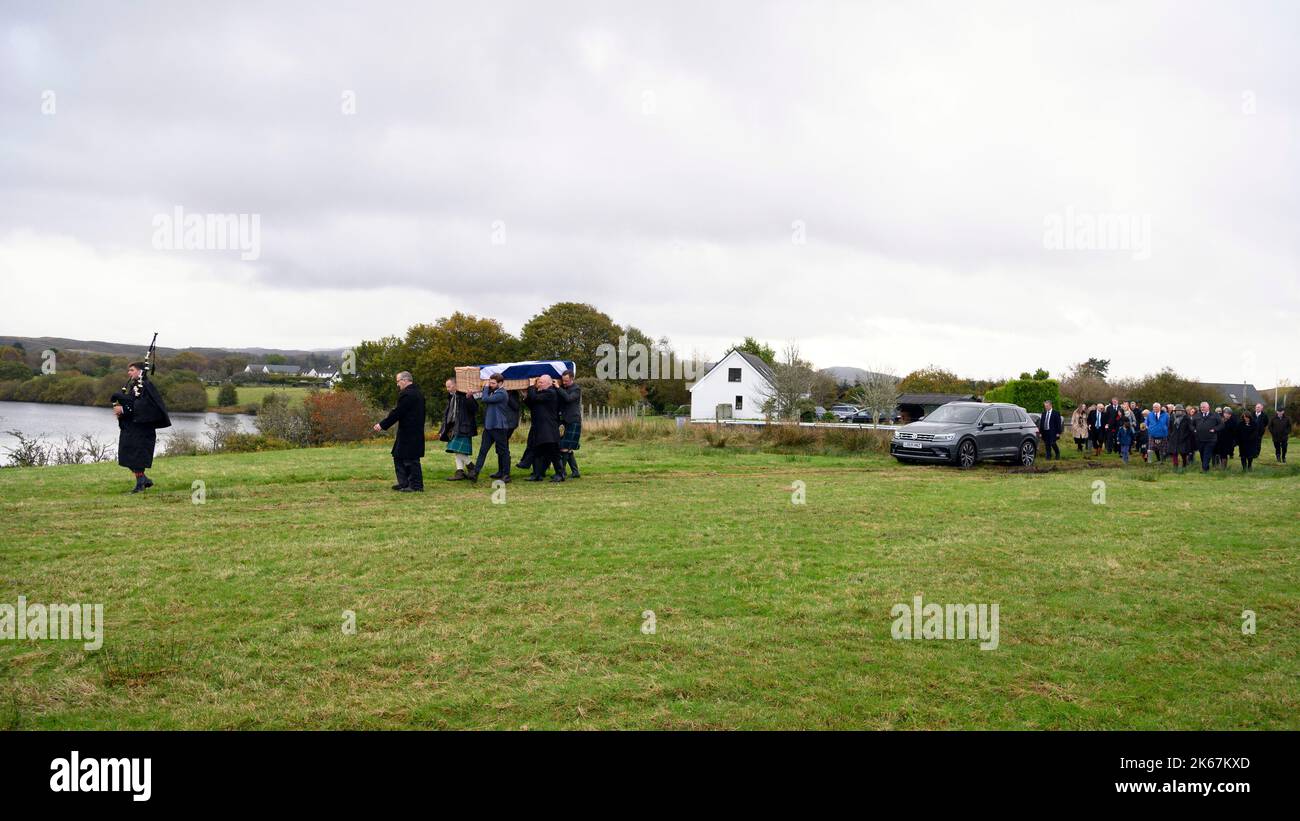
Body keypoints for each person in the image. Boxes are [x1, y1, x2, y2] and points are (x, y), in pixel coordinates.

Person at [110, 361, 172, 493]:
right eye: (129, 370)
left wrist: (124, 410)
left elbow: (146, 407)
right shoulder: (135, 386)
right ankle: (143, 480)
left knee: (137, 457)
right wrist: (121, 408)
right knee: (128, 455)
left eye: (132, 370)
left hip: (142, 429)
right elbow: (133, 402)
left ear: (140, 371)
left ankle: (140, 485)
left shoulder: (146, 386)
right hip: (132, 428)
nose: (129, 373)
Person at [374, 371, 426, 492]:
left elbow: (398, 412)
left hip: (410, 431)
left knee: (411, 459)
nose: (398, 385)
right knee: (398, 455)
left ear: (405, 380)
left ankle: (416, 486)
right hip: (412, 430)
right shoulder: (418, 393)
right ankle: (404, 483)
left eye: (398, 381)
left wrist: (382, 424)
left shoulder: (407, 394)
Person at [470, 373, 512, 483]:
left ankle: (506, 475)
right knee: (482, 451)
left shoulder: (502, 393)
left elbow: (485, 399)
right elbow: (482, 396)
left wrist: (485, 388)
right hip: (489, 427)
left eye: (493, 383)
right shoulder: (494, 392)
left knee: (503, 452)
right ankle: (475, 472)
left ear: (501, 383)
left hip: (499, 427)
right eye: (490, 382)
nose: (490, 385)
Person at [523, 374, 564, 482]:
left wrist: (531, 386)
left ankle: (560, 474)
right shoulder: (541, 394)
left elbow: (535, 398)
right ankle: (537, 474)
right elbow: (533, 404)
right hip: (539, 428)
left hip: (548, 429)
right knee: (537, 452)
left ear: (549, 383)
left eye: (541, 382)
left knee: (553, 452)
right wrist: (526, 396)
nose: (538, 384)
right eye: (538, 382)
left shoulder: (551, 392)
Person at [439, 378, 478, 480]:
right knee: (457, 451)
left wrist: (469, 398)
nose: (447, 389)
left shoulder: (465, 394)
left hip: (463, 426)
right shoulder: (452, 397)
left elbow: (474, 409)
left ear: (456, 385)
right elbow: (448, 414)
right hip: (454, 427)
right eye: (446, 386)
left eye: (449, 386)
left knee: (456, 448)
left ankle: (472, 468)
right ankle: (460, 472)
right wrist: (443, 429)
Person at [554, 370, 583, 478]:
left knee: (564, 447)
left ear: (572, 378)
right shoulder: (564, 389)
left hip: (573, 420)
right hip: (565, 421)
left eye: (566, 381)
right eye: (563, 381)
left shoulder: (576, 389)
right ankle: (575, 472)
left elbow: (568, 398)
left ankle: (562, 472)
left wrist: (558, 388)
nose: (564, 382)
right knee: (568, 448)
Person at [1192, 401, 1222, 472]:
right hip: (1200, 439)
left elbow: (1221, 425)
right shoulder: (1197, 416)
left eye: (1204, 407)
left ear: (1208, 407)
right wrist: (1194, 430)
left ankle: (1204, 468)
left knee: (1207, 453)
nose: (1202, 408)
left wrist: (1215, 429)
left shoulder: (1215, 415)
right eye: (1201, 407)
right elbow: (1191, 425)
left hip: (1211, 439)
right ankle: (1206, 466)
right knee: (1202, 453)